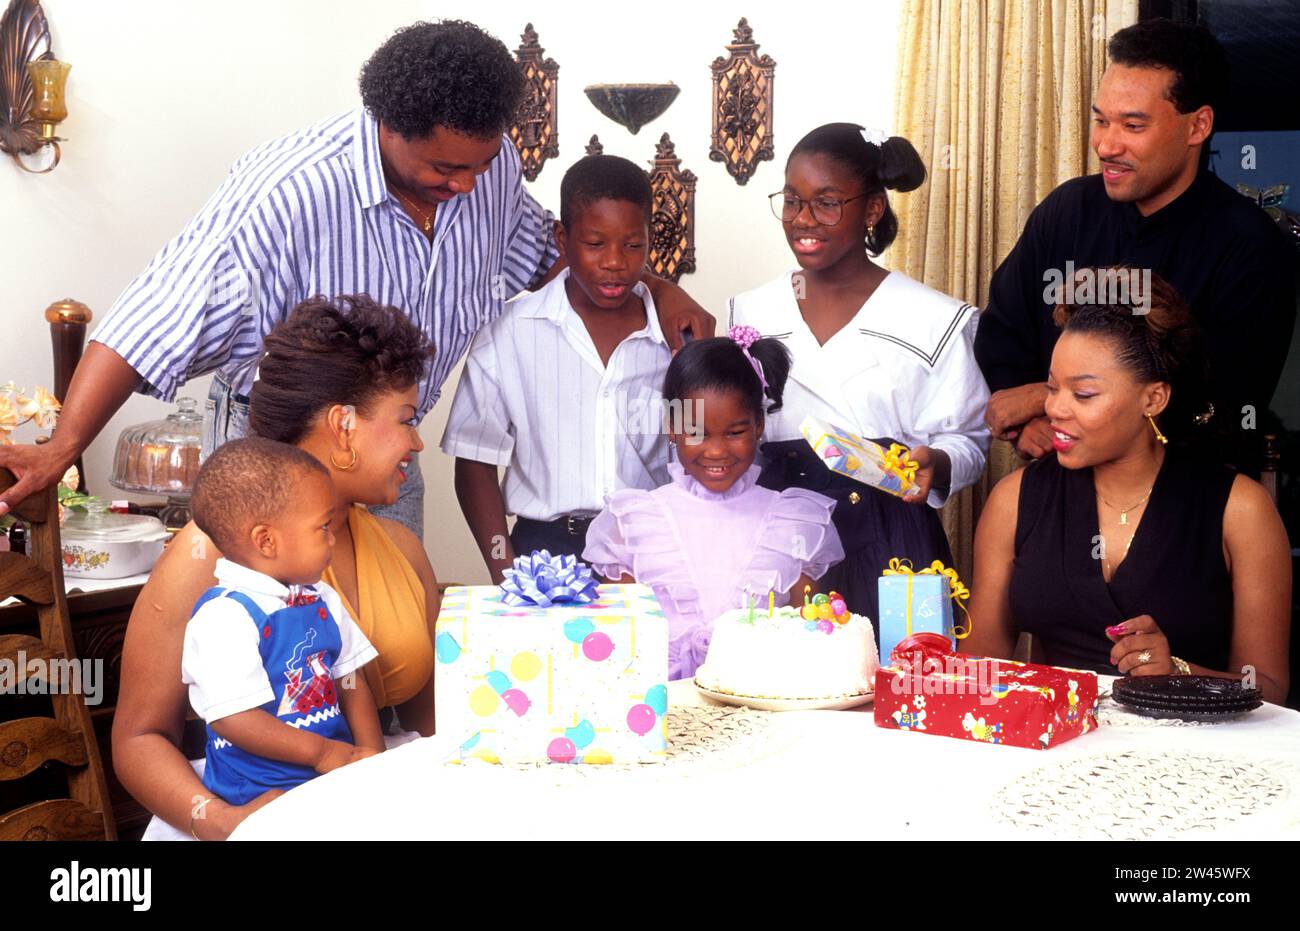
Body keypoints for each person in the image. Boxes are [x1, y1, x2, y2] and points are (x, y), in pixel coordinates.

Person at [0, 20, 713, 532]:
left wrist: (664, 287)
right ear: (390, 126)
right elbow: (153, 317)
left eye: (480, 164)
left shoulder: (488, 173)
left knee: (388, 659)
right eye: (443, 168)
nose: (466, 186)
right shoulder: (288, 190)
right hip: (277, 453)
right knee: (282, 665)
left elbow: (563, 259)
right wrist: (62, 448)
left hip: (388, 456)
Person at [113, 295, 442, 840]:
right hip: (248, 812)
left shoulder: (402, 547)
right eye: (406, 420)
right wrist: (223, 824)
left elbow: (433, 726)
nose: (417, 442)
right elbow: (138, 738)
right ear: (344, 426)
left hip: (368, 801)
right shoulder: (208, 556)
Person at [975, 18, 1295, 471]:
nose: (1106, 144)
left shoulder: (1248, 246)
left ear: (1197, 126)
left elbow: (1223, 402)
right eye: (1101, 120)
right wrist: (1027, 420)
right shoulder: (1067, 211)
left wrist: (1044, 398)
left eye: (1132, 125)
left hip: (1186, 500)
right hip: (1058, 486)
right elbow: (1003, 333)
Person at [965, 269, 1290, 704]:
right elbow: (980, 665)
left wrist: (1176, 671)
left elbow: (1268, 688)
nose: (1055, 409)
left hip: (1195, 759)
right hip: (1055, 749)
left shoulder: (1239, 508)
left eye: (1083, 395)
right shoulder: (1016, 499)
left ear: (1153, 399)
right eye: (1051, 388)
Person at [729, 123, 989, 628]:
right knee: (777, 685)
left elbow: (970, 439)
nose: (803, 219)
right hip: (781, 536)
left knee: (900, 689)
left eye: (826, 203)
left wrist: (936, 460)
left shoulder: (937, 317)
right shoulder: (750, 308)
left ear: (871, 209)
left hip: (892, 540)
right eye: (791, 200)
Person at [443, 156, 672, 579]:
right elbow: (474, 459)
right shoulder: (509, 333)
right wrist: (504, 569)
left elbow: (697, 450)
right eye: (595, 243)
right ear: (563, 240)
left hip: (653, 552)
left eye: (632, 244)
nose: (615, 262)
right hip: (546, 553)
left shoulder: (674, 336)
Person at [583, 329, 844, 680]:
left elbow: (814, 633)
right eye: (698, 433)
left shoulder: (793, 522)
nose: (717, 451)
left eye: (735, 432)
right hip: (659, 708)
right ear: (672, 428)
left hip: (764, 703)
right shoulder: (634, 522)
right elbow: (614, 640)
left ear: (759, 426)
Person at [183, 438, 384, 808]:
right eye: (323, 527)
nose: (332, 537)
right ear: (267, 541)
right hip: (260, 791)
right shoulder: (225, 617)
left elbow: (351, 681)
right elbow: (235, 719)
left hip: (330, 775)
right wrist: (321, 753)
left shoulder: (323, 598)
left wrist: (372, 756)